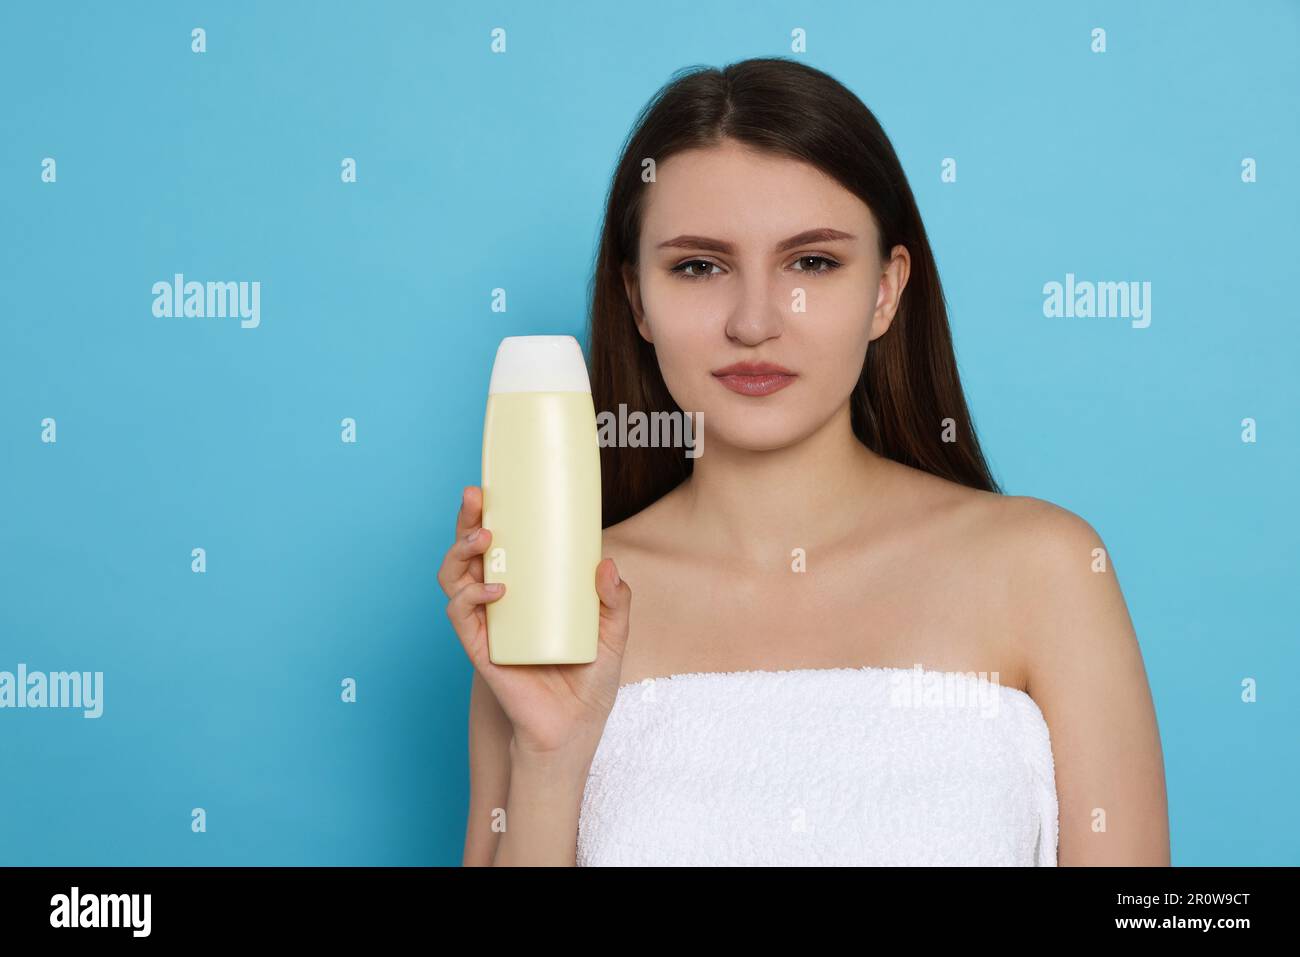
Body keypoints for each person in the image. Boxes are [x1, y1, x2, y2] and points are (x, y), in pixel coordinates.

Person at [441, 57, 1170, 866]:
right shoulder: (549, 602)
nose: (755, 320)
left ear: (887, 290)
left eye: (812, 263)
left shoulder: (1048, 570)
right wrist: (549, 759)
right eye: (699, 266)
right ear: (637, 298)